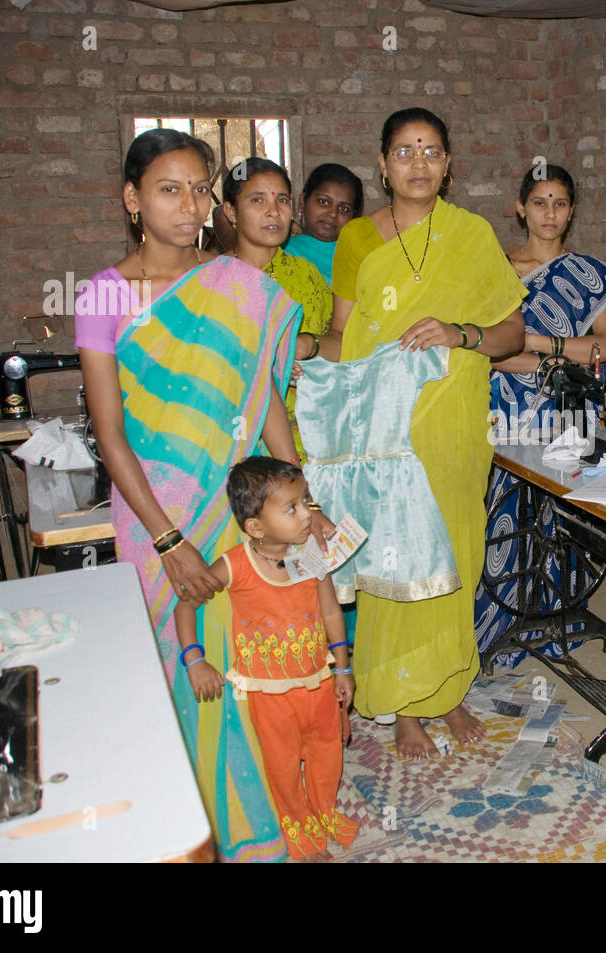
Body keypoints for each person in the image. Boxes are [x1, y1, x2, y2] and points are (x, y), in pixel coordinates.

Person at [76, 129, 324, 861]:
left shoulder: (237, 286)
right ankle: (181, 824)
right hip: (152, 515)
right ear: (132, 201)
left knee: (240, 660)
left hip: (229, 509)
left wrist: (302, 495)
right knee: (172, 664)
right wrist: (167, 539)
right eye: (167, 189)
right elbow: (109, 435)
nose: (188, 206)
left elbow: (264, 398)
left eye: (197, 189)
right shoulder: (105, 294)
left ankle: (247, 817)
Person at [324, 107, 526, 759]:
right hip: (387, 430)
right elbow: (343, 334)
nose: (418, 162)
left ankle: (448, 688)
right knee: (399, 563)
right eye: (404, 151)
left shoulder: (472, 236)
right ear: (382, 164)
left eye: (431, 150)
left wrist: (459, 332)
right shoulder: (357, 240)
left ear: (448, 164)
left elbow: (512, 333)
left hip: (455, 427)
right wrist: (296, 362)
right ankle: (404, 704)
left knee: (454, 554)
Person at [476, 163, 606, 667]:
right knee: (500, 517)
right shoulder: (495, 268)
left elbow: (603, 348)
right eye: (539, 202)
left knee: (561, 518)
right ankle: (495, 623)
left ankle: (556, 612)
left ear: (571, 211)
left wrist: (530, 340)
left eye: (559, 203)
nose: (549, 213)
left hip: (565, 409)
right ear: (520, 208)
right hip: (501, 407)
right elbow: (486, 349)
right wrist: (553, 354)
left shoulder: (591, 276)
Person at [175, 457, 358, 860]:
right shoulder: (235, 565)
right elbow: (185, 606)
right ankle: (297, 827)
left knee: (328, 751)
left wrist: (343, 667)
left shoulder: (310, 553)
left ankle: (324, 810)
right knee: (283, 766)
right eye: (292, 508)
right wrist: (195, 660)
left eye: (305, 501)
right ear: (255, 527)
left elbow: (330, 611)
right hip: (270, 694)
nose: (307, 515)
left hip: (319, 681)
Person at [221, 157, 331, 462]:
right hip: (233, 437)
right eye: (257, 200)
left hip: (310, 435)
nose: (273, 211)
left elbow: (336, 346)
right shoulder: (213, 280)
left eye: (281, 200)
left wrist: (309, 354)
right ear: (231, 211)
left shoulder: (306, 276)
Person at [285, 162, 363, 286]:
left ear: (353, 217)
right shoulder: (280, 250)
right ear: (302, 202)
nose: (333, 214)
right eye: (323, 202)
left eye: (344, 209)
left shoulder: (359, 259)